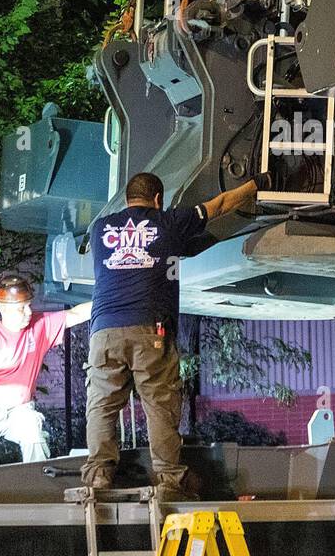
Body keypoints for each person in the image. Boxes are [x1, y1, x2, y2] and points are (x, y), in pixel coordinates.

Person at [80, 170, 266, 500]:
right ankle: (168, 480)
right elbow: (220, 204)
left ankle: (98, 476)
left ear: (127, 200)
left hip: (103, 331)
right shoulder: (168, 222)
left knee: (102, 404)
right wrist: (259, 184)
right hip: (149, 328)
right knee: (159, 403)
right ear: (157, 200)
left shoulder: (99, 229)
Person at [0, 275, 91, 468]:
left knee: (33, 431)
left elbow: (74, 315)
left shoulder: (39, 325)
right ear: (3, 308)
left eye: (29, 305)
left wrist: (110, 298)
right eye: (21, 308)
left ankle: (40, 487)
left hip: (20, 410)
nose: (28, 312)